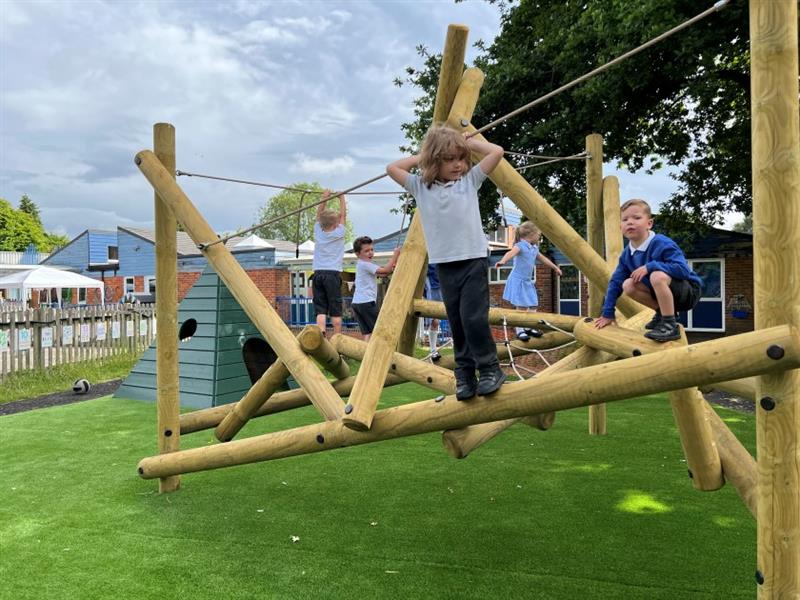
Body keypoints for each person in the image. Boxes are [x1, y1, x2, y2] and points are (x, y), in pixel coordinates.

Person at [387, 125, 505, 401]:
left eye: (461, 159)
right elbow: (392, 168)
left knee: (473, 318)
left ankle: (490, 368)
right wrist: (425, 156)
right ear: (434, 160)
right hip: (445, 264)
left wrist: (471, 145)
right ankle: (465, 375)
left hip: (473, 260)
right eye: (450, 159)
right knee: (457, 321)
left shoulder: (469, 181)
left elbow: (497, 152)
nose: (458, 165)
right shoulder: (420, 187)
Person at [593, 198, 703, 342]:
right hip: (662, 294)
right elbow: (615, 283)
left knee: (656, 276)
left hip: (688, 292)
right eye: (625, 219)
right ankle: (662, 313)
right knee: (628, 285)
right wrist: (607, 312)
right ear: (620, 227)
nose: (630, 222)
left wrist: (650, 267)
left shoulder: (661, 243)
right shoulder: (627, 255)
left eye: (636, 218)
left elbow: (683, 270)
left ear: (649, 224)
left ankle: (670, 325)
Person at [496, 221, 562, 341]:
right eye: (538, 235)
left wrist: (555, 267)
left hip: (527, 281)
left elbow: (543, 259)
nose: (539, 238)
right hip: (518, 280)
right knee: (521, 307)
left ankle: (529, 327)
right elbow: (510, 253)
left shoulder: (534, 248)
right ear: (531, 235)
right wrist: (503, 261)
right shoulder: (520, 246)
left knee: (533, 304)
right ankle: (519, 330)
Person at [351, 236, 400, 341]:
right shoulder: (365, 264)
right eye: (366, 251)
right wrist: (395, 255)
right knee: (379, 331)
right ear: (358, 254)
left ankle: (366, 349)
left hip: (357, 303)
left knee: (369, 332)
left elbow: (383, 274)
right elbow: (385, 271)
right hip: (366, 302)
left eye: (372, 250)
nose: (370, 253)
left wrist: (391, 269)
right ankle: (378, 350)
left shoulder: (362, 265)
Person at [312, 189, 347, 336]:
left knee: (320, 307)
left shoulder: (318, 231)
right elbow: (343, 215)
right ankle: (337, 336)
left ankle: (321, 332)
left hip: (318, 274)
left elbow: (318, 215)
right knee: (335, 306)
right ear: (336, 224)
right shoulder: (339, 233)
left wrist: (324, 198)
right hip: (332, 275)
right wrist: (341, 198)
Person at [423, 263, 443, 361]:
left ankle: (433, 350)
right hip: (432, 285)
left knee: (437, 320)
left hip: (442, 284)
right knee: (435, 320)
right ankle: (433, 350)